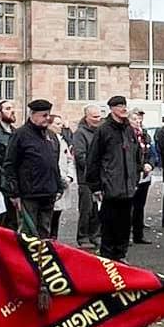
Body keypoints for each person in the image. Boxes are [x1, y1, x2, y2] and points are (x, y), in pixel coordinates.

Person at [83, 96, 140, 261]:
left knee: (125, 223)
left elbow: (136, 154)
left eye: (124, 105)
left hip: (128, 186)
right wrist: (95, 186)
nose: (124, 109)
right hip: (110, 186)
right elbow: (93, 159)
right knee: (109, 224)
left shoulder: (128, 129)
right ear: (112, 109)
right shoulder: (104, 130)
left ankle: (121, 254)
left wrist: (135, 177)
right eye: (120, 106)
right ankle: (108, 256)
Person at [3, 99, 65, 237]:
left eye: (48, 115)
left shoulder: (51, 136)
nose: (47, 118)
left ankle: (44, 251)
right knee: (29, 233)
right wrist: (14, 192)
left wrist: (58, 186)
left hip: (48, 192)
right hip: (29, 192)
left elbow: (54, 163)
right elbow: (10, 164)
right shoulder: (20, 135)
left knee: (45, 231)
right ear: (32, 115)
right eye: (44, 115)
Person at [72, 104, 103, 248]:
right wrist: (93, 169)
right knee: (87, 209)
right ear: (87, 117)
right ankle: (83, 236)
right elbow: (80, 156)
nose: (98, 119)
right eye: (94, 117)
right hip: (86, 179)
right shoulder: (80, 133)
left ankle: (95, 235)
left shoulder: (100, 131)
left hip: (100, 177)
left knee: (97, 209)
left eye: (99, 116)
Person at [129, 109, 159, 245]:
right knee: (129, 207)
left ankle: (138, 234)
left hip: (145, 176)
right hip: (133, 175)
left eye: (139, 119)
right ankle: (126, 234)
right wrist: (141, 166)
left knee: (140, 206)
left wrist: (150, 164)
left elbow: (152, 153)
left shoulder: (145, 135)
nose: (138, 122)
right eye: (134, 119)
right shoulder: (127, 135)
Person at [48, 114, 77, 240]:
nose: (61, 126)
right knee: (49, 214)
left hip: (64, 180)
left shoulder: (63, 141)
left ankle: (54, 238)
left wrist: (69, 177)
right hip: (52, 181)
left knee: (58, 213)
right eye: (57, 124)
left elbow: (69, 160)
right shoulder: (47, 141)